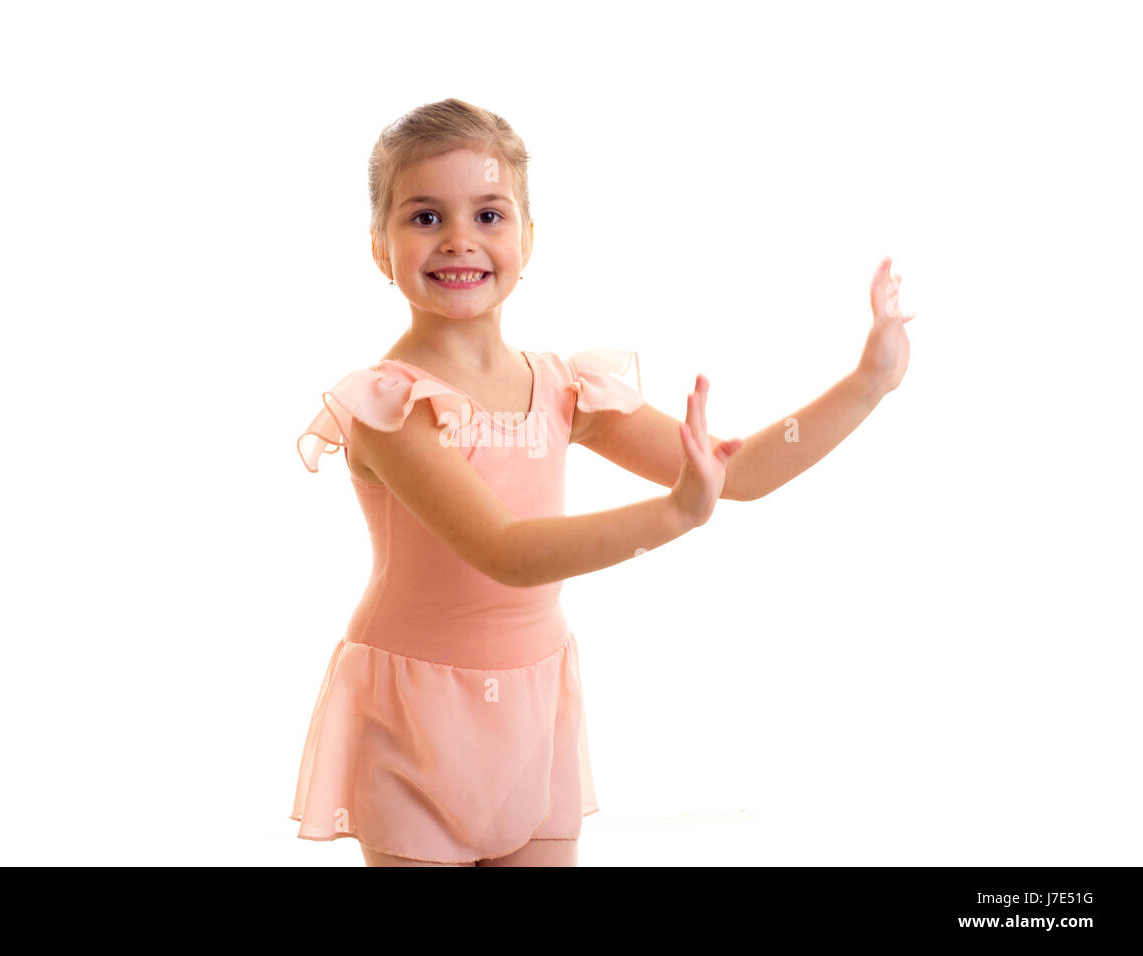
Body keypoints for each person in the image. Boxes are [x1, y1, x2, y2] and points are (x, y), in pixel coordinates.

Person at [291, 97, 915, 867]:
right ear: (379, 249)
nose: (459, 238)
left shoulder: (566, 390)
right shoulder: (390, 406)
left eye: (489, 214)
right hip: (415, 716)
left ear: (527, 237)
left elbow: (740, 472)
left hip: (533, 710)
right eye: (425, 217)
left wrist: (868, 382)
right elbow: (505, 550)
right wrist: (675, 514)